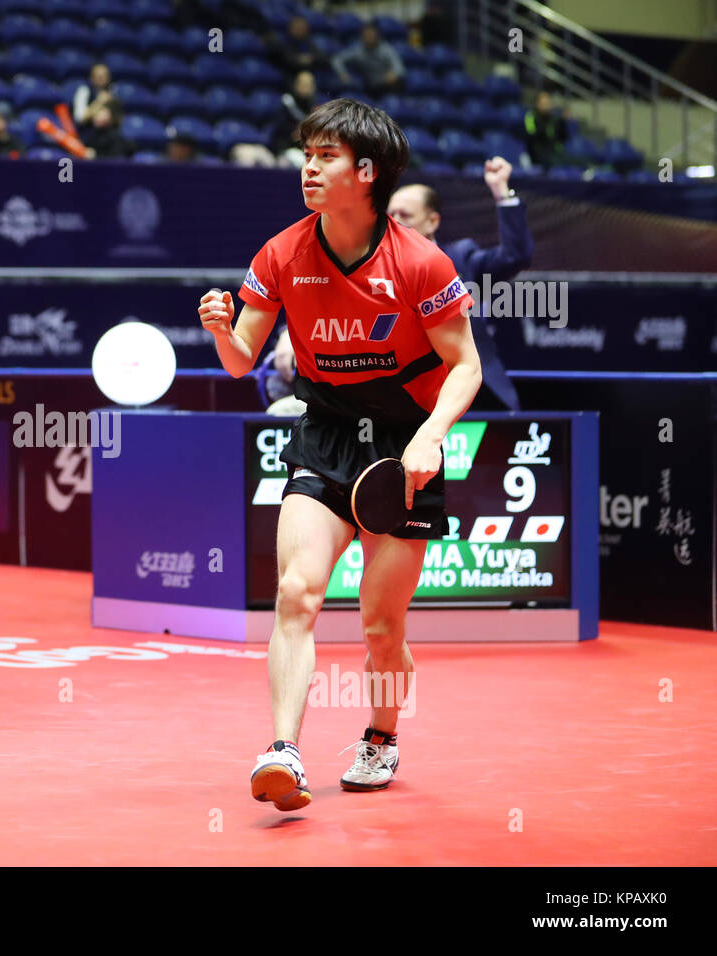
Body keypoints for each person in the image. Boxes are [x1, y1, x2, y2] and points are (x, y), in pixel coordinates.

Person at [197, 98, 481, 810]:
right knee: (296, 592)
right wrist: (220, 331)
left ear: (368, 172)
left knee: (383, 625)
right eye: (307, 154)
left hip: (402, 444)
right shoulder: (284, 252)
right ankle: (284, 753)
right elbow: (240, 363)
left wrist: (429, 437)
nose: (310, 168)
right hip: (324, 434)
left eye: (327, 156)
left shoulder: (419, 262)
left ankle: (380, 739)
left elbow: (466, 367)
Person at [387, 157, 533, 410]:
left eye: (406, 215)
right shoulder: (374, 270)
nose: (396, 222)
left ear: (432, 221)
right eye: (391, 215)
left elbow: (515, 256)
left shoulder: (460, 259)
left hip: (478, 398)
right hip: (406, 400)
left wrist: (501, 192)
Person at [332, 23, 404, 95]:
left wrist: (394, 74)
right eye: (366, 35)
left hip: (387, 83)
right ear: (362, 37)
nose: (369, 37)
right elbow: (337, 60)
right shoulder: (357, 51)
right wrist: (343, 74)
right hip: (370, 86)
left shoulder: (386, 49)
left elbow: (399, 68)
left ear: (377, 36)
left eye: (372, 35)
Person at [268, 70, 319, 167]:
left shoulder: (316, 107)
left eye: (309, 84)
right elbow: (279, 134)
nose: (307, 87)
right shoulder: (286, 105)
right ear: (296, 85)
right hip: (288, 149)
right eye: (303, 84)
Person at [524, 89, 568, 169]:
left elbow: (563, 137)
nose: (547, 105)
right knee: (555, 163)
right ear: (537, 104)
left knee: (573, 161)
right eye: (544, 103)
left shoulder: (554, 118)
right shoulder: (531, 116)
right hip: (537, 153)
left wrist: (562, 122)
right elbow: (531, 136)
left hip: (554, 152)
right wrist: (545, 122)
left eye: (548, 103)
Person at [72, 61, 112, 127]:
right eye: (98, 75)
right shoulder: (84, 90)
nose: (101, 78)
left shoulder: (112, 91)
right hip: (88, 131)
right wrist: (99, 102)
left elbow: (119, 118)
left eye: (104, 75)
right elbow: (80, 118)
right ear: (91, 77)